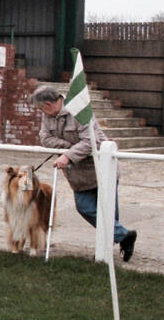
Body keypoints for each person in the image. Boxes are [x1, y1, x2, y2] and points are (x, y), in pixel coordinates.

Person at [34, 84, 137, 261]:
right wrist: (68, 148)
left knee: (108, 212)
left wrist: (67, 156)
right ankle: (125, 236)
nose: (41, 112)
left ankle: (109, 251)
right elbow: (45, 138)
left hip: (101, 169)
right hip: (78, 174)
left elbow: (91, 141)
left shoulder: (80, 110)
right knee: (85, 208)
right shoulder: (47, 117)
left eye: (41, 108)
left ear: (49, 103)